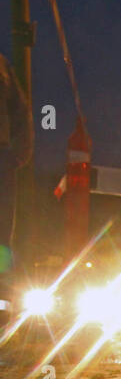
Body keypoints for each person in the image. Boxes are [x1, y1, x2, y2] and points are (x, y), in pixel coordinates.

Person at [0, 52, 35, 270]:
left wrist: (19, 153)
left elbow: (21, 111)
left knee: (2, 223)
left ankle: (1, 277)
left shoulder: (2, 65)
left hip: (1, 154)